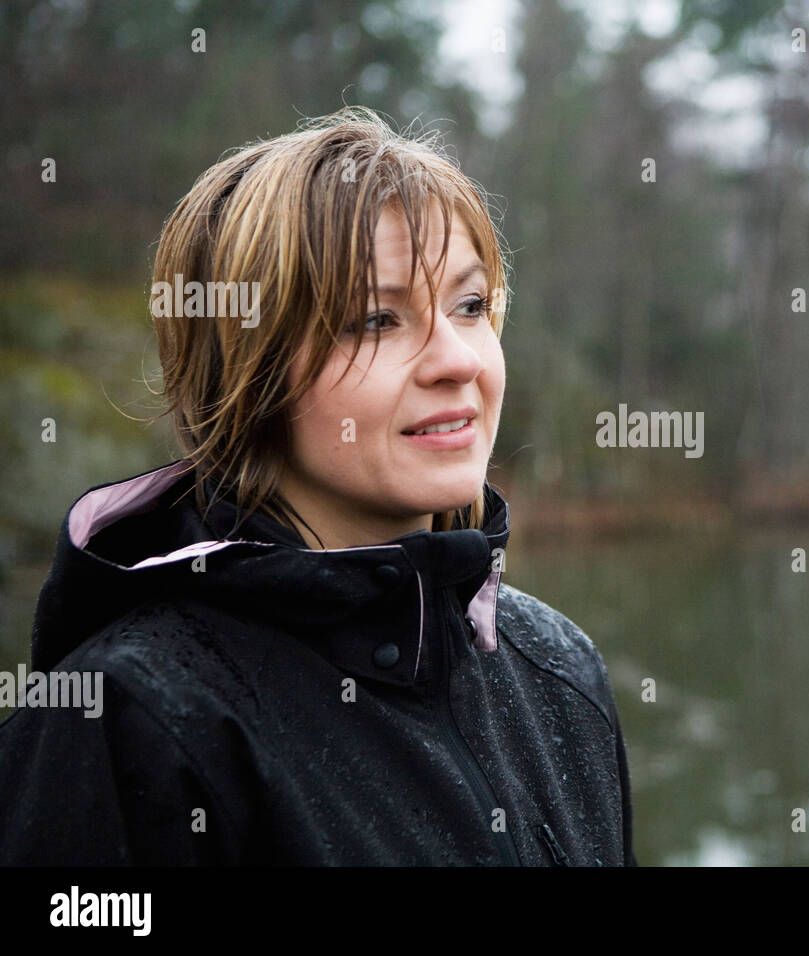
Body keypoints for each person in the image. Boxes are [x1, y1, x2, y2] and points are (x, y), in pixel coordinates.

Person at [0, 107, 635, 866]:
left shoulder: (561, 670)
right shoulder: (133, 721)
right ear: (249, 372)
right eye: (376, 319)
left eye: (469, 306)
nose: (457, 361)